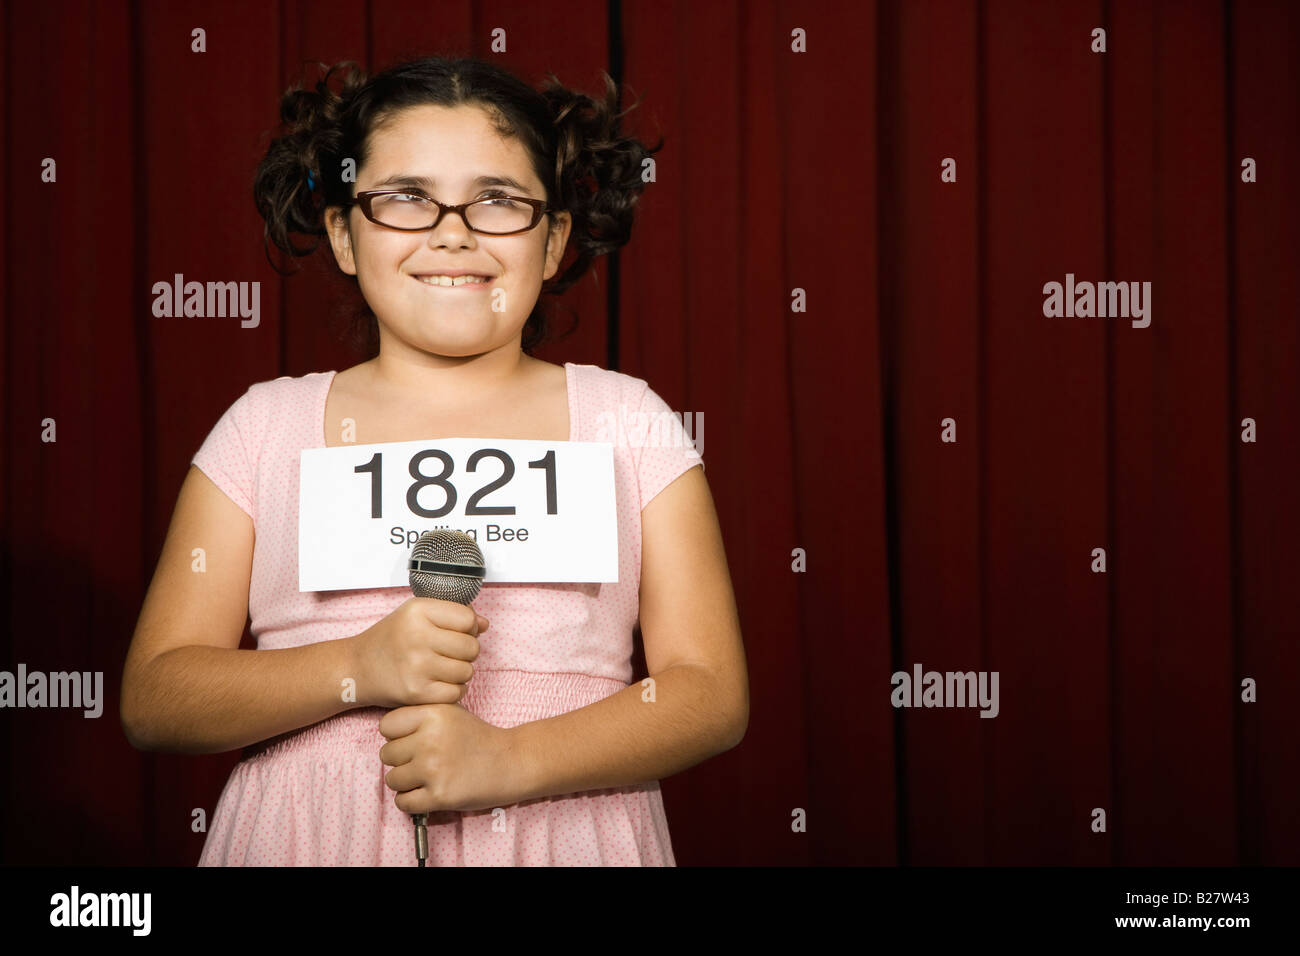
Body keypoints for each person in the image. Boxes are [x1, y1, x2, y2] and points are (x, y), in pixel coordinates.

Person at [120, 55, 749, 866]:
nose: (452, 231)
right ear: (345, 234)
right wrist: (354, 665)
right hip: (311, 838)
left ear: (554, 238)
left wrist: (511, 760)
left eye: (497, 199)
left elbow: (709, 693)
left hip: (560, 833)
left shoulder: (629, 422)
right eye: (407, 198)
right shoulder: (263, 428)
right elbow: (155, 698)